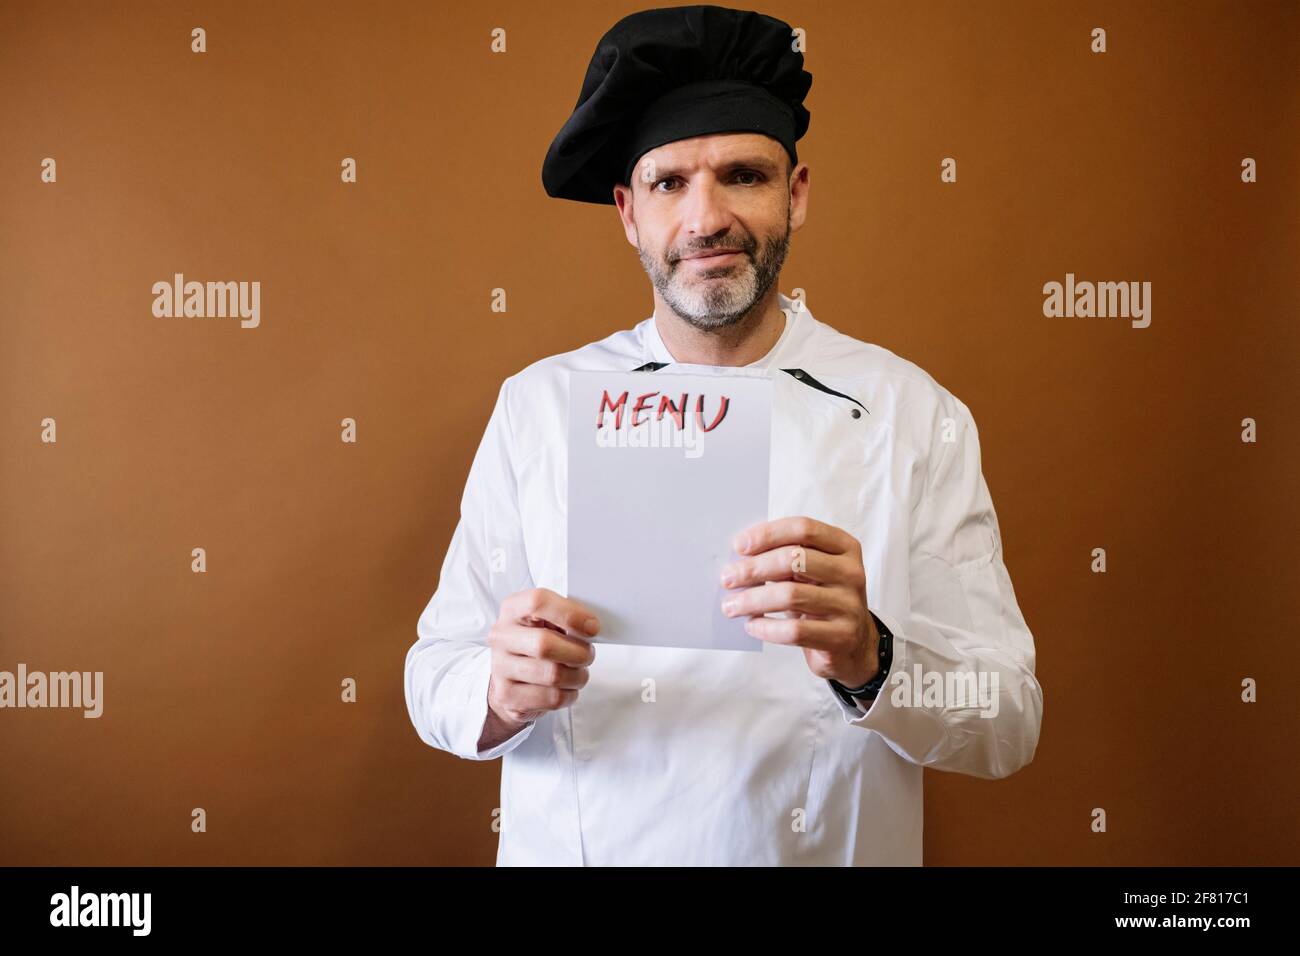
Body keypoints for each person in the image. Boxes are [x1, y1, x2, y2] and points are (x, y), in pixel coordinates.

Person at [404, 4, 1042, 865]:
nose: (707, 220)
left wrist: (871, 656)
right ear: (629, 212)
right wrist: (499, 690)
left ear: (796, 192)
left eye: (743, 174)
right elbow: (433, 671)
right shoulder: (540, 407)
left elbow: (1005, 717)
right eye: (670, 183)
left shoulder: (911, 414)